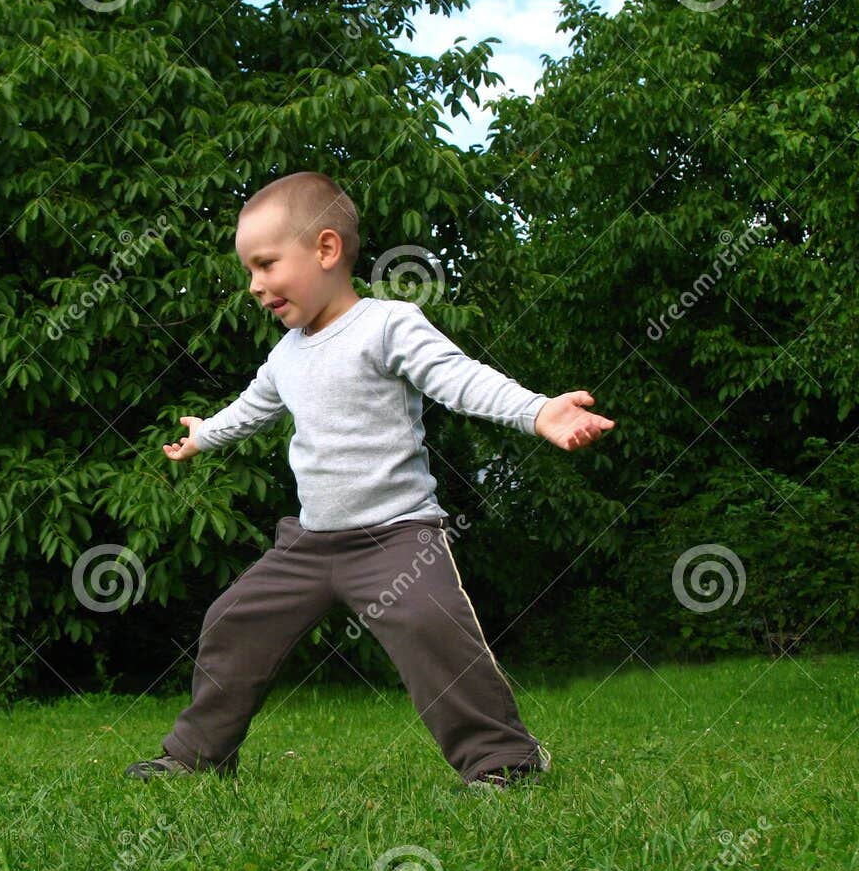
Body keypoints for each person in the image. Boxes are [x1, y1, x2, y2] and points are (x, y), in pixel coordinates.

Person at [126, 172, 615, 788]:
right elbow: (250, 408)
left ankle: (503, 762)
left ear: (326, 250)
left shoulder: (387, 324)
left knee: (431, 626)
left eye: (266, 264)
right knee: (232, 620)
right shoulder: (285, 355)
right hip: (307, 545)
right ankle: (197, 756)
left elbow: (457, 377)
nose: (254, 286)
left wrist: (537, 409)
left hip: (396, 539)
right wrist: (204, 435)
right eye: (249, 271)